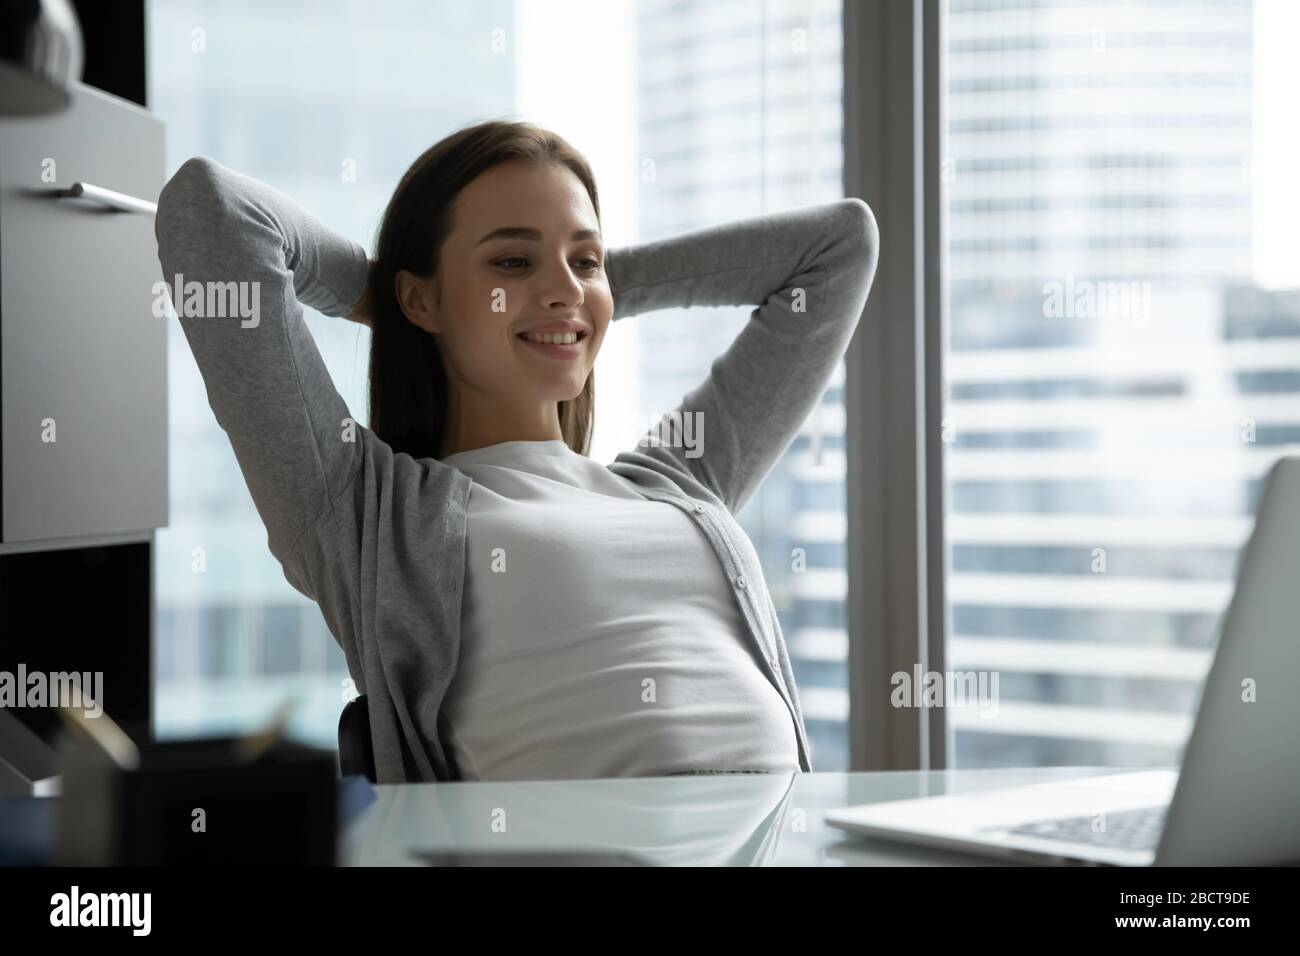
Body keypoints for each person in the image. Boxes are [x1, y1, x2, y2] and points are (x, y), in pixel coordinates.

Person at [153, 119, 879, 782]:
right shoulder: (364, 511)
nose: (562, 286)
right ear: (420, 300)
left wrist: (580, 295)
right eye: (511, 262)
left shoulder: (680, 479)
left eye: (585, 258)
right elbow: (211, 211)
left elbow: (839, 248)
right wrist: (395, 299)